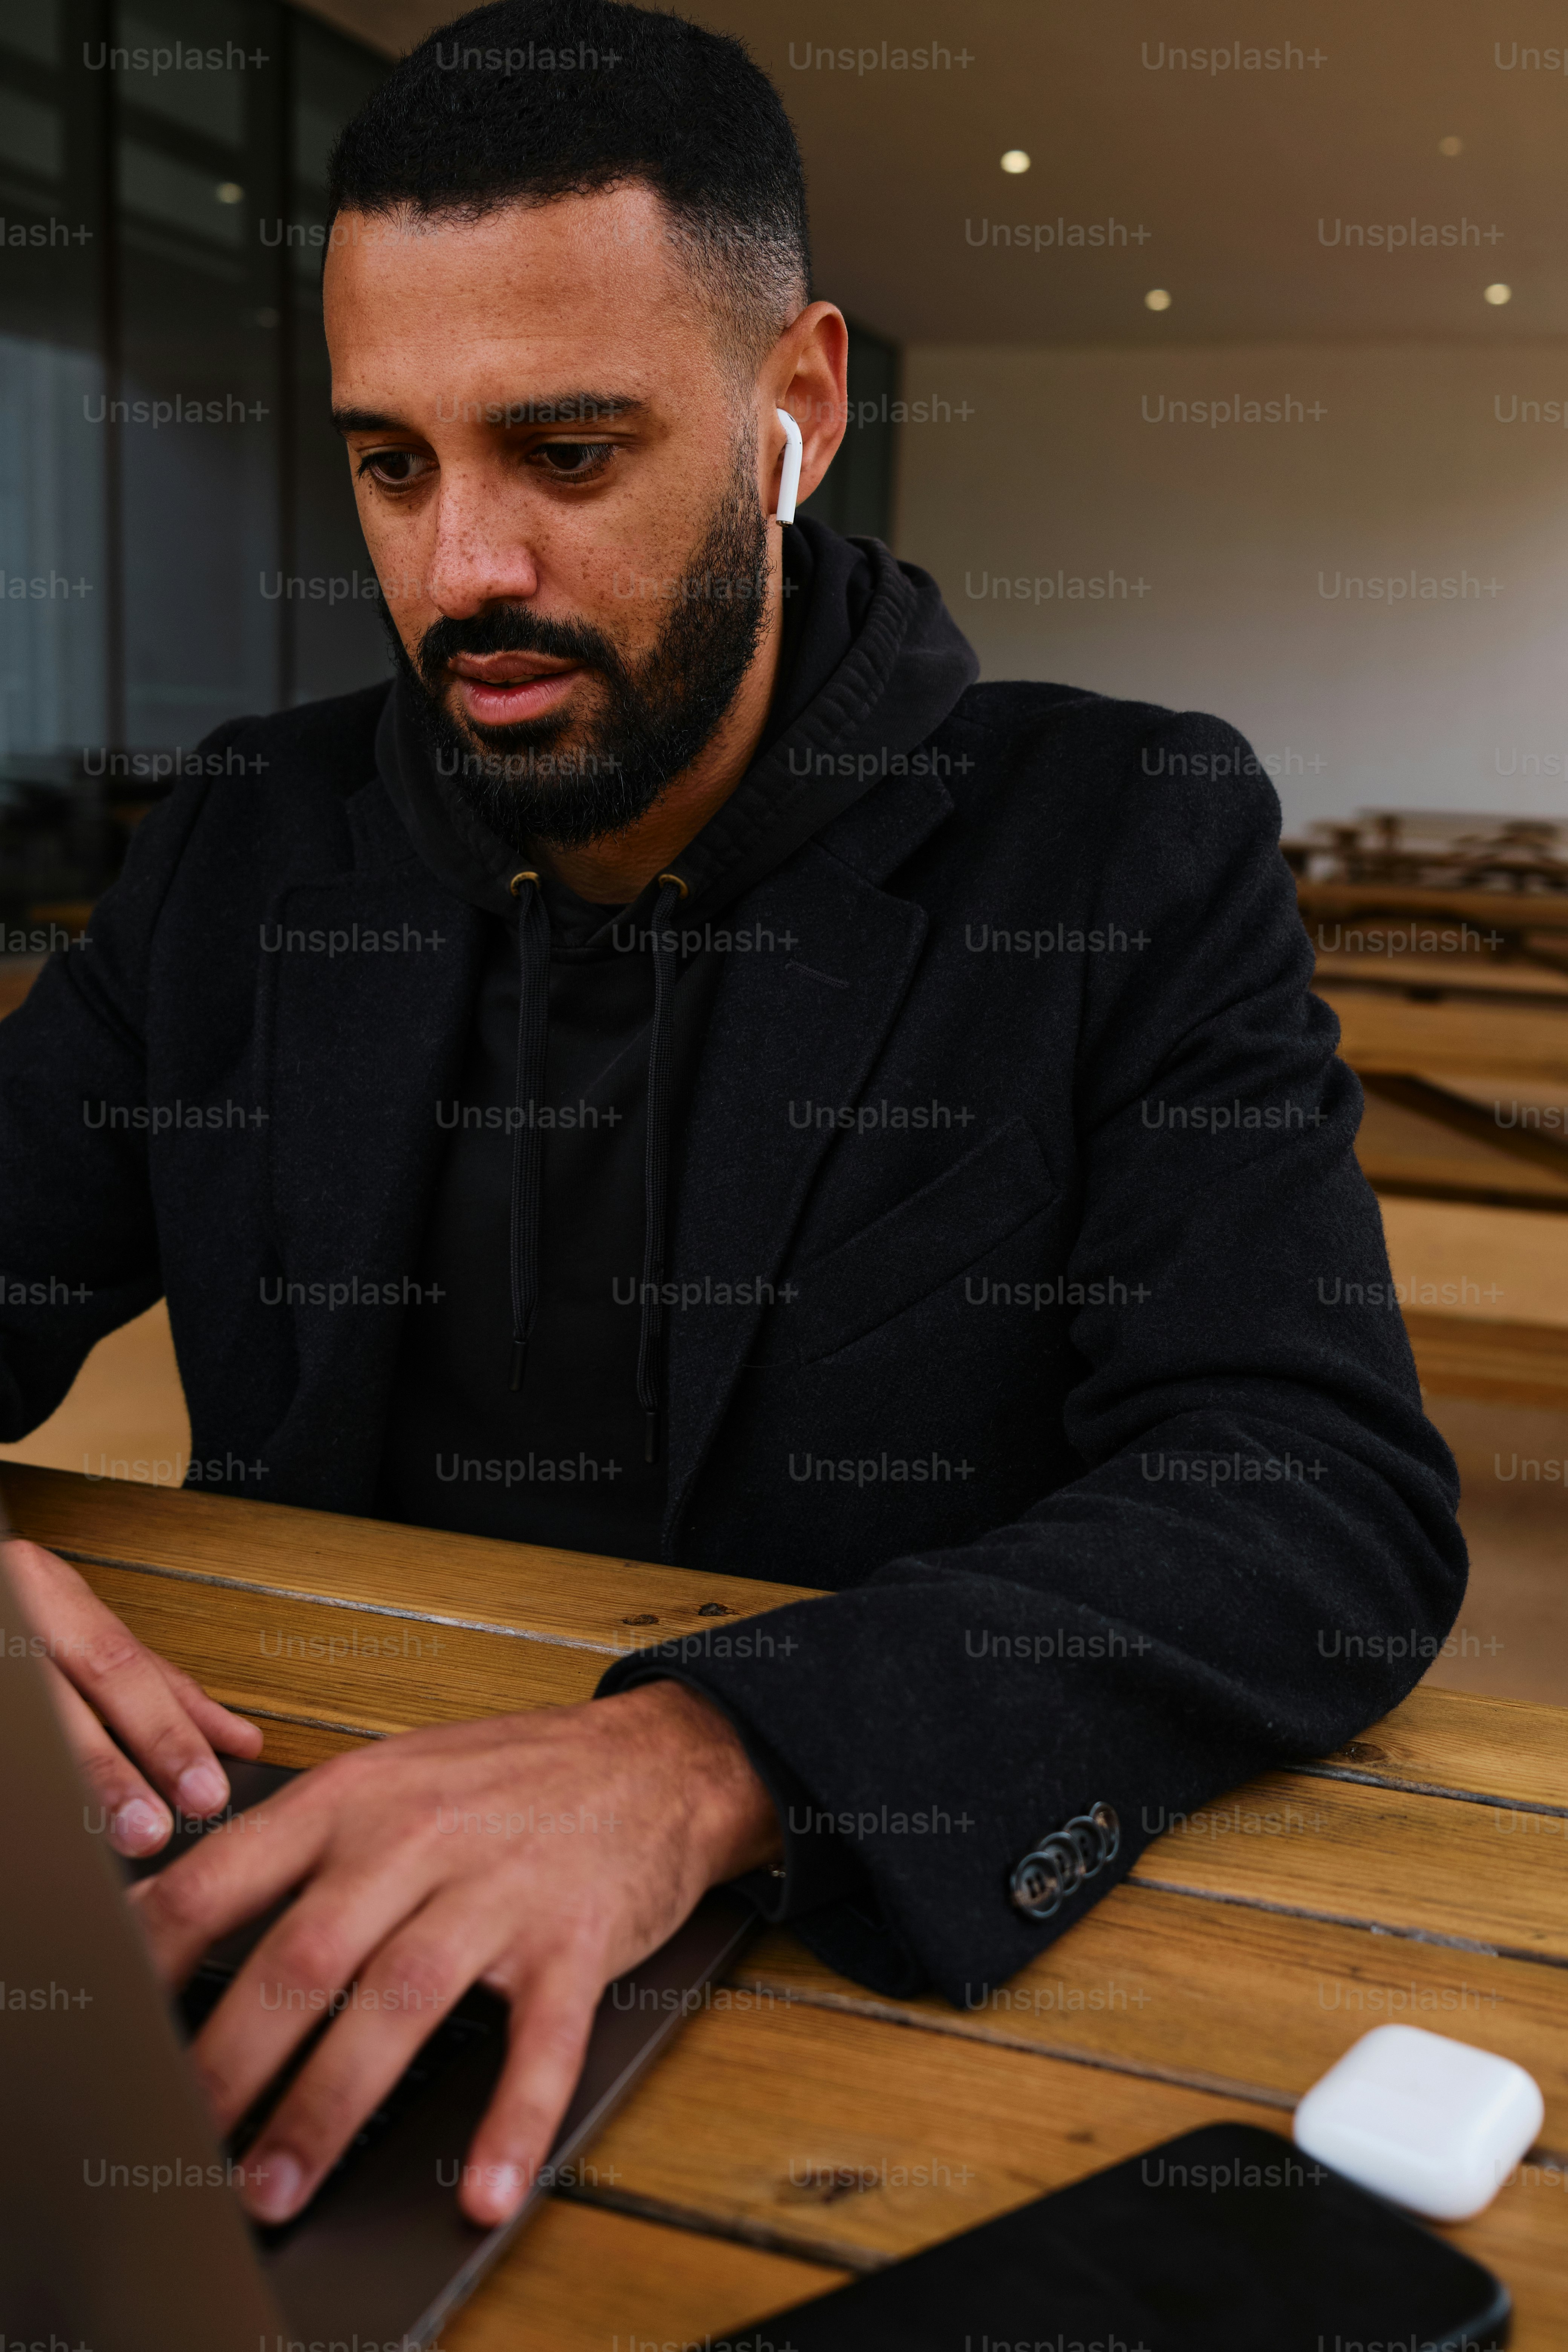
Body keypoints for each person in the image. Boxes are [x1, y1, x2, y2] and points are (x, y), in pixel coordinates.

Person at [0, 0, 1465, 2232]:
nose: (459, 569)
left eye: (566, 454)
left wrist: (719, 1756)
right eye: (392, 463)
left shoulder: (1110, 836)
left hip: (866, 1994)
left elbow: (1314, 1489)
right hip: (260, 1891)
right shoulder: (247, 843)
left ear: (798, 412)